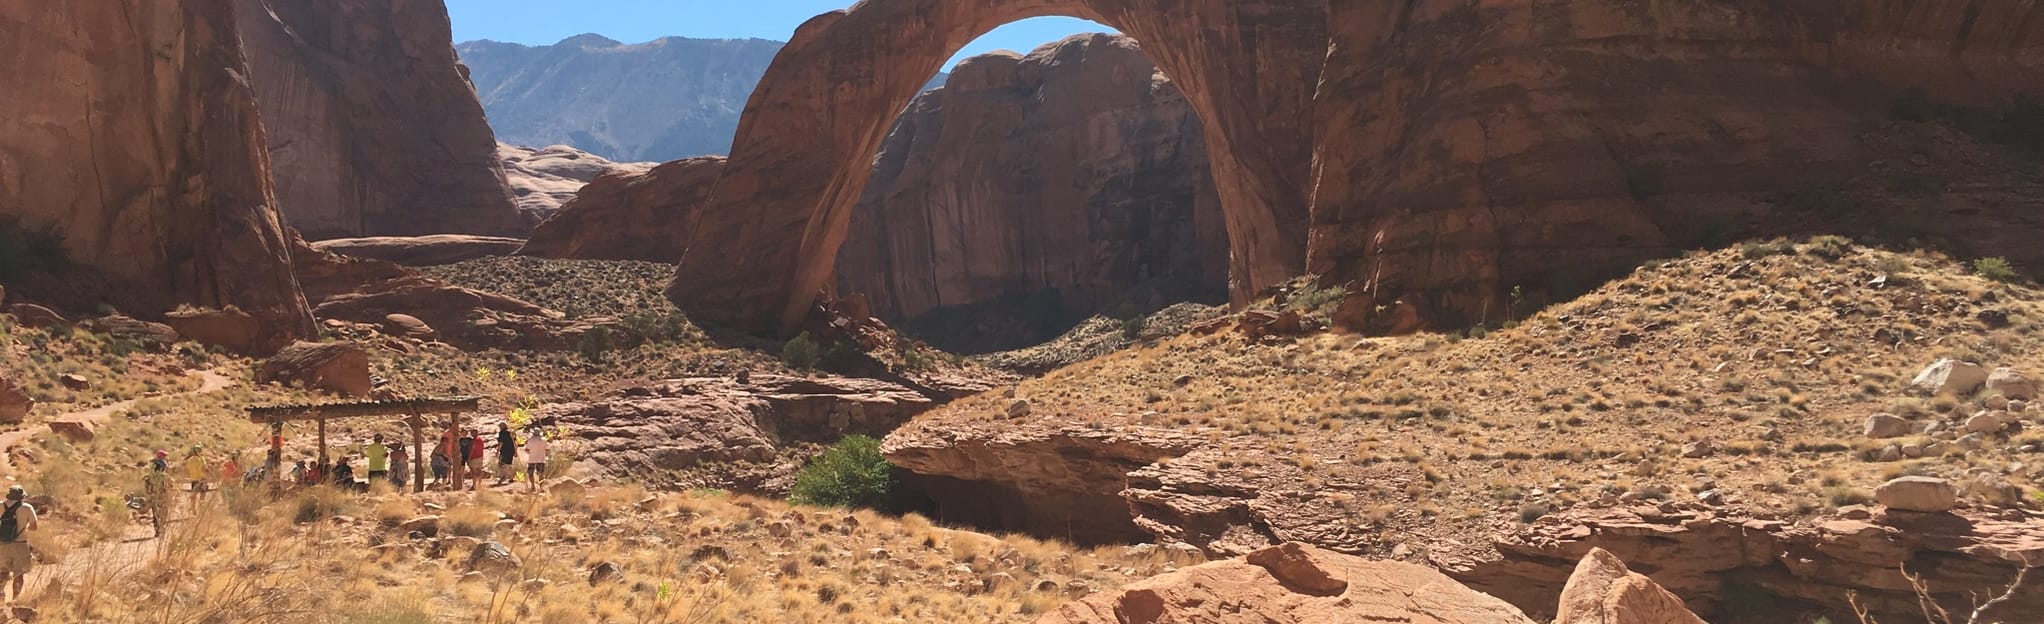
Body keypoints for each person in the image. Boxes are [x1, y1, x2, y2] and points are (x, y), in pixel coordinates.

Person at [0, 486, 39, 604]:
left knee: (2, 572)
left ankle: (0, 597)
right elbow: (34, 527)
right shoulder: (27, 507)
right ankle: (14, 600)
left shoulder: (0, 505)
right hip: (20, 545)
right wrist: (23, 527)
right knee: (19, 573)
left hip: (2, 544)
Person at [143, 451, 172, 537]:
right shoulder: (163, 475)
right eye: (164, 456)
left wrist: (148, 494)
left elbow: (147, 485)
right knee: (164, 512)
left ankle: (157, 530)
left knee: (155, 513)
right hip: (162, 494)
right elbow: (168, 485)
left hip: (153, 494)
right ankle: (161, 528)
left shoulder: (150, 474)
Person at [523, 429, 551, 493]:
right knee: (541, 473)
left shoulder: (530, 440)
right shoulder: (544, 440)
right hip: (541, 459)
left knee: (530, 473)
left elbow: (527, 449)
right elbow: (547, 449)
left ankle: (533, 486)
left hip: (532, 459)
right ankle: (541, 487)